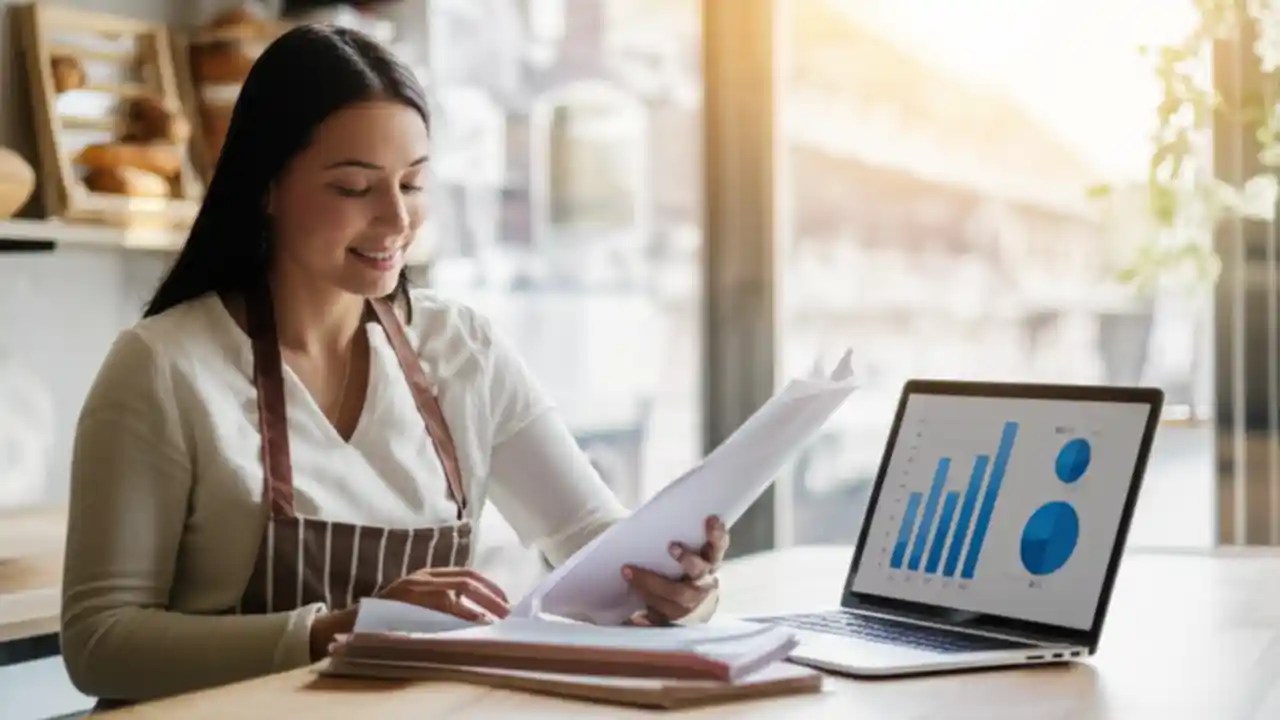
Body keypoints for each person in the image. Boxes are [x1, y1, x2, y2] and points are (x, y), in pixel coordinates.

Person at [60, 24, 728, 704]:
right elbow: (100, 644)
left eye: (412, 184)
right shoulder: (164, 368)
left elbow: (594, 544)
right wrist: (336, 632)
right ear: (266, 187)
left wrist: (677, 587)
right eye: (354, 187)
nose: (395, 220)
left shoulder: (463, 349)